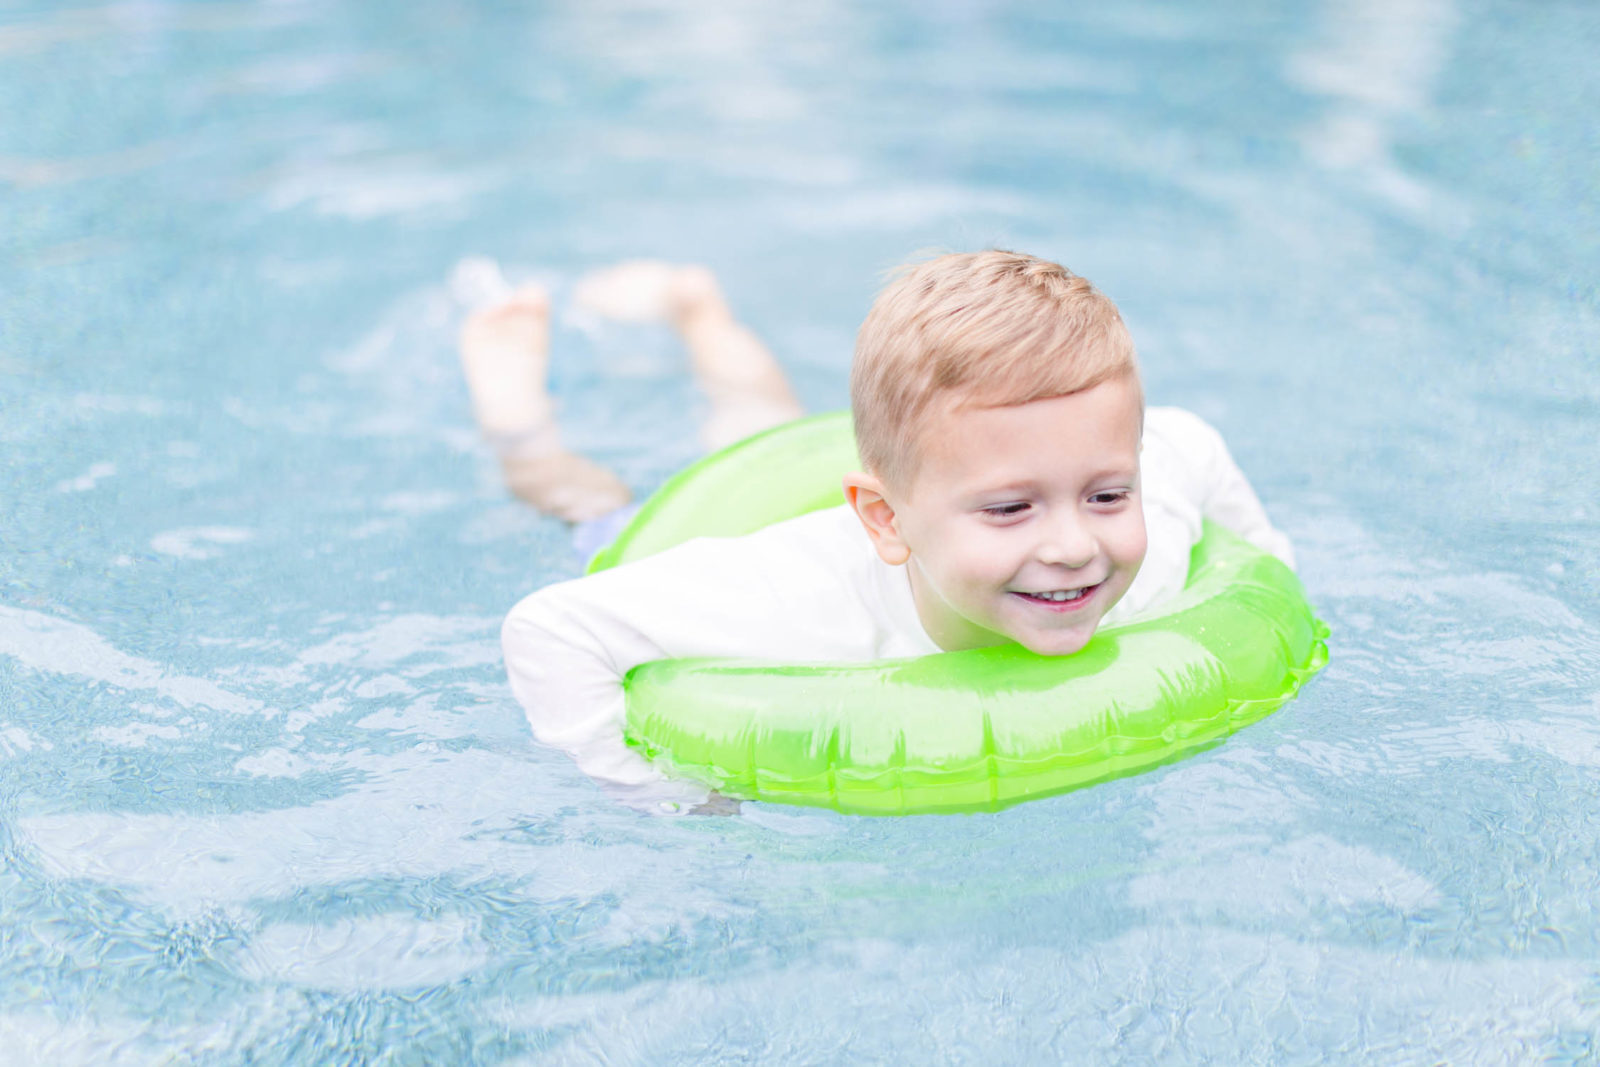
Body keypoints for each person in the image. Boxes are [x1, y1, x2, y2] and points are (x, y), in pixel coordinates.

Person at [467, 251, 1294, 813]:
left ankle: (696, 306)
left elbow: (1192, 442)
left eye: (1108, 494)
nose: (1076, 544)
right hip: (732, 531)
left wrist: (1264, 576)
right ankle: (517, 406)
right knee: (585, 495)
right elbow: (552, 627)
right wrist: (668, 804)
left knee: (762, 418)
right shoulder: (788, 600)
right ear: (885, 520)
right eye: (1012, 508)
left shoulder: (1150, 528)